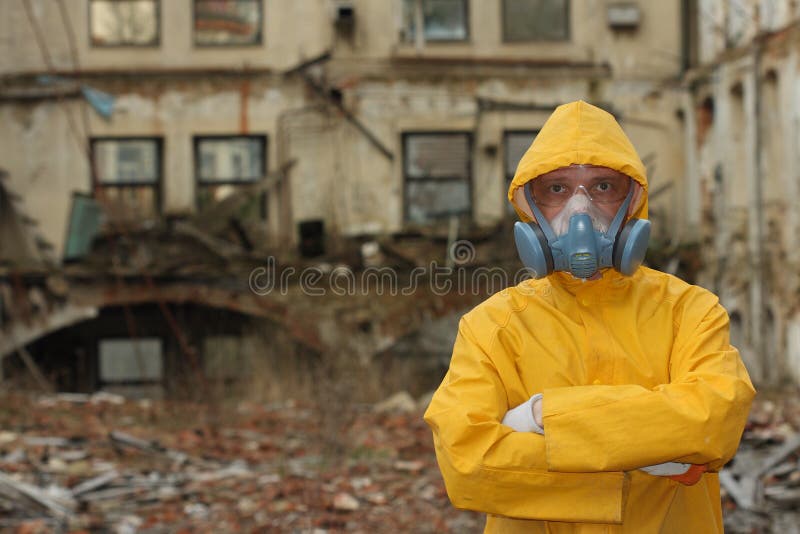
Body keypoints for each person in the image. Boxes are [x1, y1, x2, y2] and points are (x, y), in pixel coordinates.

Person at [423, 100, 755, 533]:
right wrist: (640, 454)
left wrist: (540, 417)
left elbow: (714, 420)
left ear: (632, 200)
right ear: (531, 207)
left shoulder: (690, 311)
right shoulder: (492, 327)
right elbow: (465, 464)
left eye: (602, 187)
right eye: (557, 189)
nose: (580, 210)